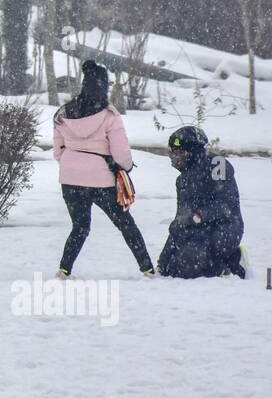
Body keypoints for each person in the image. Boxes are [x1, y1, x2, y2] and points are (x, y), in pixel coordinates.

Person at [52, 60, 155, 277]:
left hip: (70, 180)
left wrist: (73, 164)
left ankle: (64, 269)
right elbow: (121, 153)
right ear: (103, 87)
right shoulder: (109, 116)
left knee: (80, 228)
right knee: (126, 224)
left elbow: (58, 150)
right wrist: (125, 168)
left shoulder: (64, 113)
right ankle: (147, 268)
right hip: (102, 180)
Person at [157, 125, 247, 278]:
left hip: (226, 226)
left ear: (192, 152)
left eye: (179, 152)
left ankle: (233, 260)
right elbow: (180, 222)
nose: (174, 157)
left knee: (194, 265)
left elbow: (225, 205)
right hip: (199, 229)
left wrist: (198, 216)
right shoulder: (182, 181)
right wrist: (162, 261)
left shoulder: (217, 164)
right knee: (171, 268)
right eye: (172, 152)